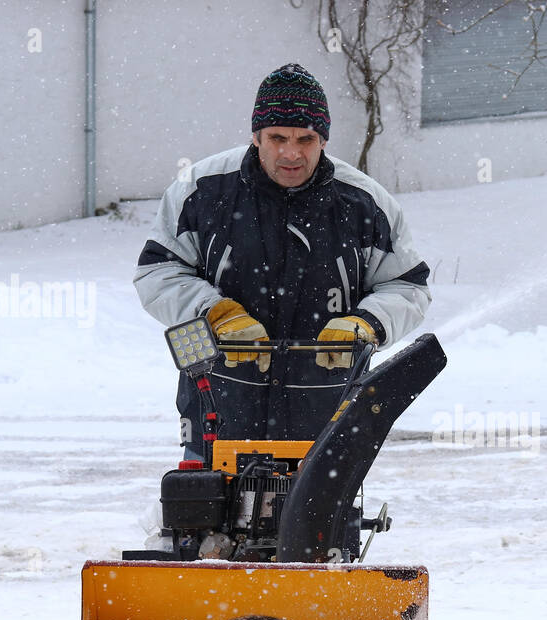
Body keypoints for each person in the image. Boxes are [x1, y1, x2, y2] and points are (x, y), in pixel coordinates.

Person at [134, 63, 431, 457]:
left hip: (327, 407)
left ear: (323, 140)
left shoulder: (364, 203)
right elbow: (159, 272)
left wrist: (366, 323)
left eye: (305, 139)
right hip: (218, 404)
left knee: (321, 517)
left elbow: (407, 286)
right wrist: (216, 313)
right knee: (201, 510)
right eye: (277, 137)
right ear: (256, 136)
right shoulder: (201, 192)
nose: (291, 153)